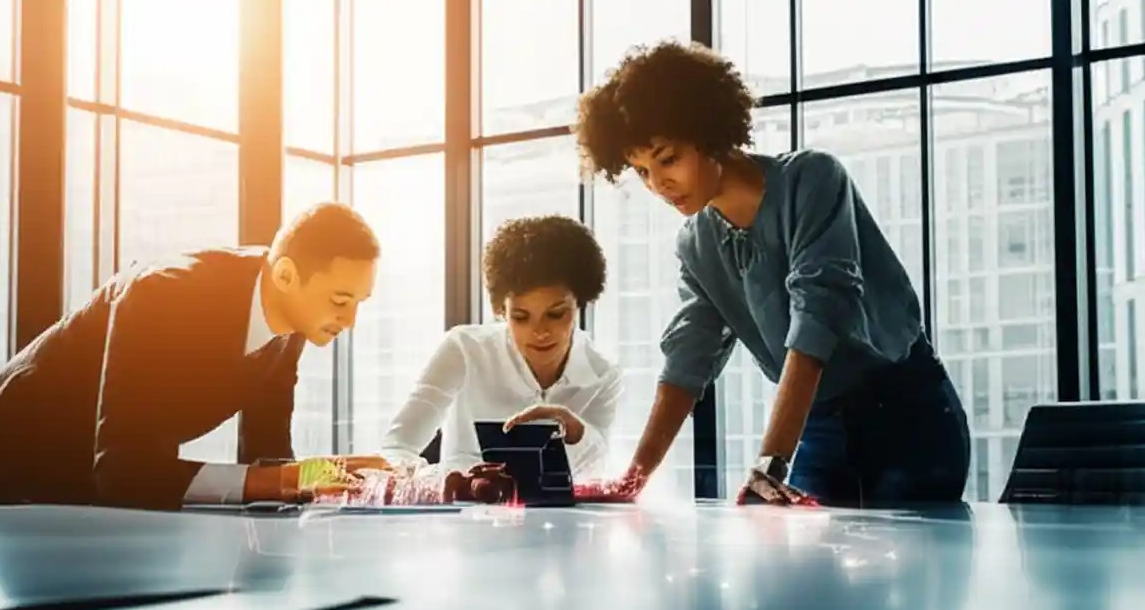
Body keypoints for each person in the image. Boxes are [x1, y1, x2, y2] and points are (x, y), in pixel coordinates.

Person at [574, 40, 970, 507]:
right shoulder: (695, 244)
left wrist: (770, 465)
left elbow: (817, 317)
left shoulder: (812, 179)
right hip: (821, 426)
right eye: (641, 171)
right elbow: (688, 360)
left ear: (708, 132)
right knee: (802, 572)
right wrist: (632, 481)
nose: (659, 184)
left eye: (667, 158)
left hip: (908, 415)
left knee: (922, 568)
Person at [0, 202, 388, 511]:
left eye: (360, 303)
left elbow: (267, 455)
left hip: (117, 475)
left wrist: (322, 473)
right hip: (29, 447)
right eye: (340, 299)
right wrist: (278, 480)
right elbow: (123, 470)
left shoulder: (291, 327)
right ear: (285, 276)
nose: (349, 320)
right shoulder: (163, 293)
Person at [380, 214, 623, 502]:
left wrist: (574, 430)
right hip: (467, 521)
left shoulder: (603, 373)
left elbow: (597, 473)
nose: (540, 331)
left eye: (556, 314)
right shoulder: (464, 349)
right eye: (521, 317)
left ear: (580, 302)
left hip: (560, 524)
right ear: (501, 311)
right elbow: (397, 448)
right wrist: (437, 482)